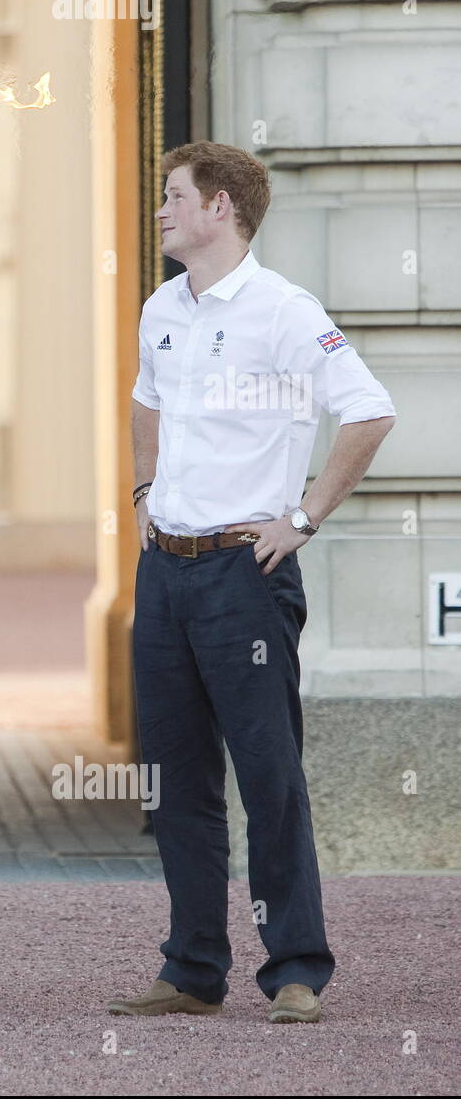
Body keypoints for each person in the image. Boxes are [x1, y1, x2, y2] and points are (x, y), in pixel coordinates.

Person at [108, 141, 395, 1025]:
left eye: (173, 196)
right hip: (166, 572)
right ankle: (193, 969)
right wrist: (147, 491)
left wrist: (303, 518)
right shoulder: (162, 307)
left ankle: (297, 968)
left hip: (246, 574)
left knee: (268, 775)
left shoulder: (283, 309)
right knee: (177, 784)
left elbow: (371, 408)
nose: (161, 209)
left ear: (221, 207)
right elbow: (145, 400)